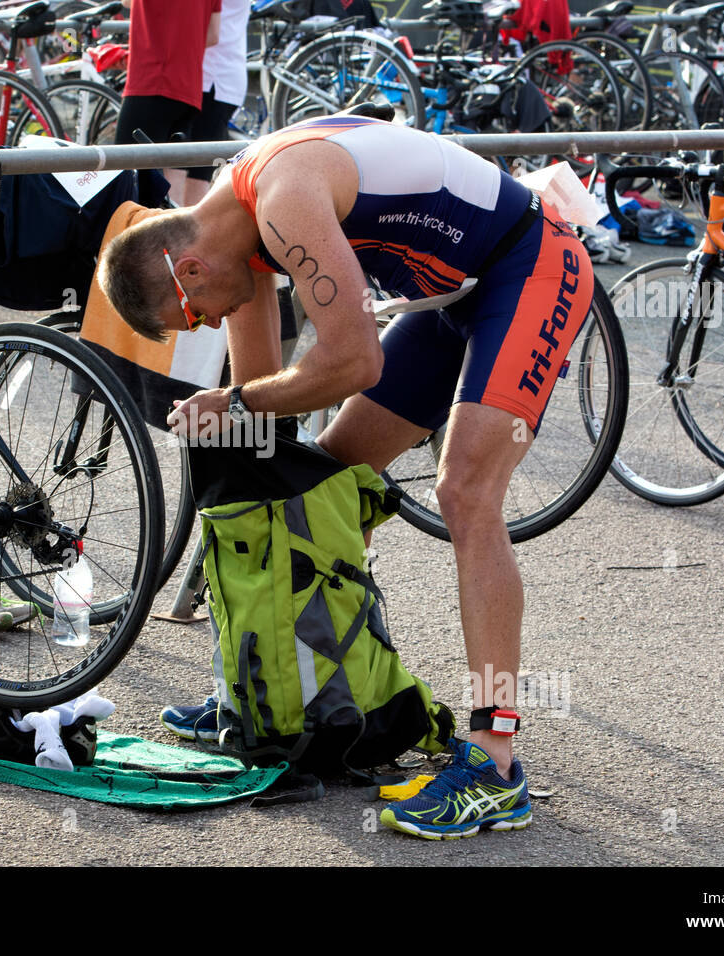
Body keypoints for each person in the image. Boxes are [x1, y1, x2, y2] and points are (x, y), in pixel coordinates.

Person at [97, 114, 594, 840]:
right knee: (325, 487)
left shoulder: (281, 197)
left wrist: (230, 403)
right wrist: (232, 433)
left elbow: (351, 363)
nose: (210, 323)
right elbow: (267, 416)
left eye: (195, 316)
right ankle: (292, 692)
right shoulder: (241, 239)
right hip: (452, 298)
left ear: (189, 269)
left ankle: (495, 760)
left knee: (465, 493)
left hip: (532, 266)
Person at [115, 0, 222, 203]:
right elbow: (213, 34)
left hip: (153, 80)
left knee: (123, 189)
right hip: (188, 87)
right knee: (168, 200)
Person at [183, 0, 250, 205]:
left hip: (211, 78)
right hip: (220, 76)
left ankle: (191, 233)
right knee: (194, 169)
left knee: (192, 171)